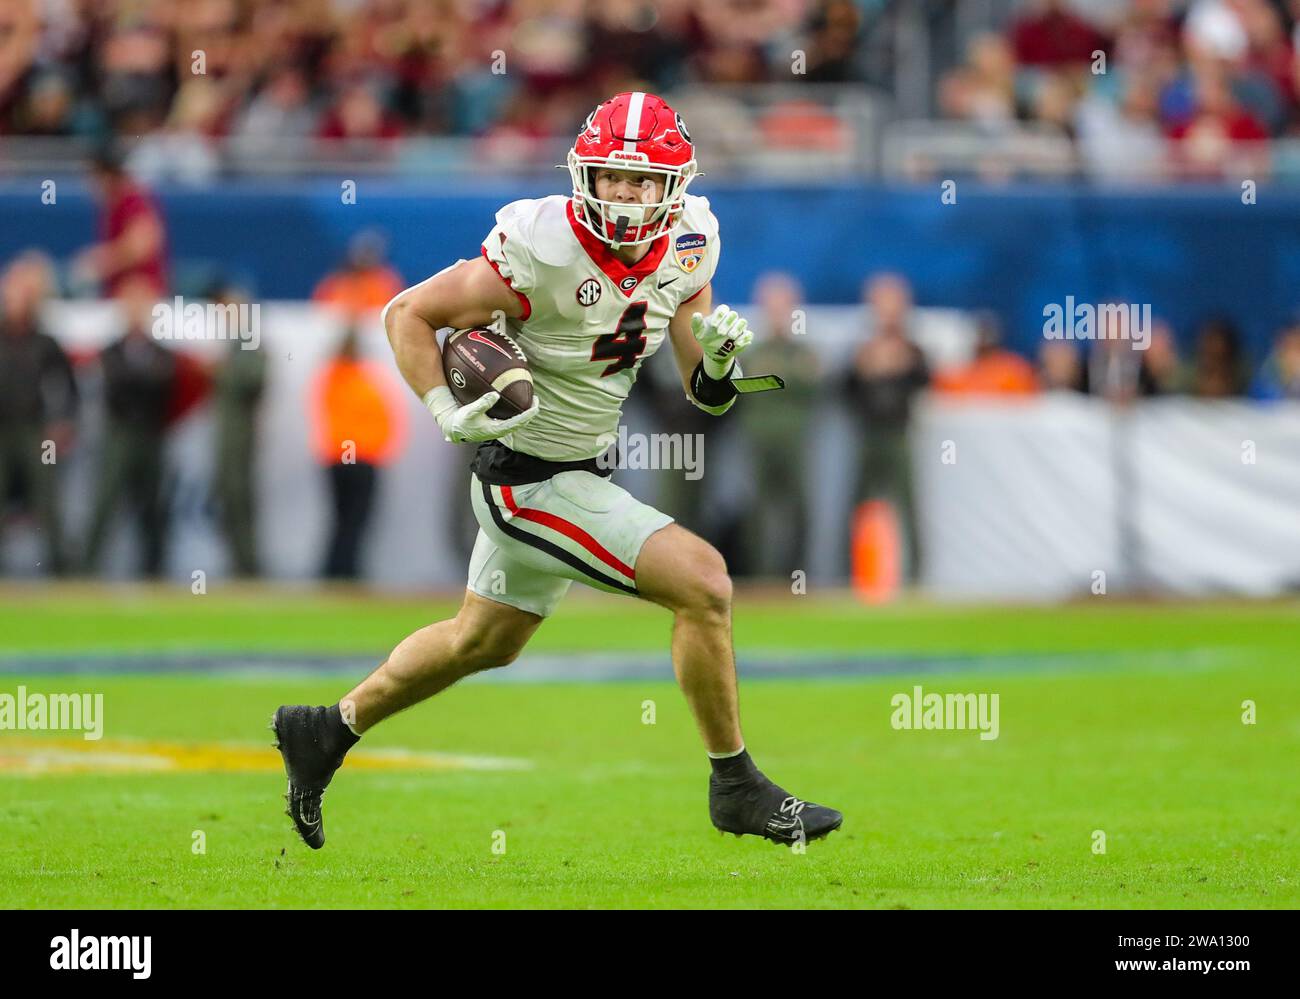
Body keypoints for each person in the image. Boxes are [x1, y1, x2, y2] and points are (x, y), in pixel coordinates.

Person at [272, 92, 842, 850]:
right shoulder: (539, 246)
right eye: (613, 178)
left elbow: (702, 392)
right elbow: (407, 313)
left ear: (675, 187)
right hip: (524, 478)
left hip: (580, 470)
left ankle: (325, 730)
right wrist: (444, 406)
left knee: (483, 643)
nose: (628, 196)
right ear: (586, 177)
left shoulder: (690, 242)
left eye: (644, 182)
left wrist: (723, 364)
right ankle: (735, 783)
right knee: (705, 583)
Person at [82, 279, 177, 577]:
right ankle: (85, 570)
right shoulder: (111, 351)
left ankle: (155, 571)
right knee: (105, 503)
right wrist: (141, 379)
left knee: (152, 506)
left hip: (150, 435)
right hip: (119, 434)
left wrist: (137, 379)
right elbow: (118, 383)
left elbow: (163, 384)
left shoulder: (162, 353)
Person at [842, 273, 929, 584]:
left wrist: (898, 366)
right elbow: (844, 391)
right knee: (857, 505)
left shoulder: (912, 349)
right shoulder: (863, 349)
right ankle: (849, 576)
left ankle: (916, 576)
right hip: (867, 435)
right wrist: (866, 368)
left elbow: (925, 380)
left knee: (907, 506)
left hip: (898, 434)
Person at [0, 252, 78, 575]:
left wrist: (62, 423)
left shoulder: (45, 343)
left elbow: (68, 389)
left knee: (46, 499)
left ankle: (63, 571)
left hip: (34, 431)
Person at [737, 272, 819, 578]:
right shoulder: (751, 353)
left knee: (798, 508)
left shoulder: (804, 354)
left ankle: (796, 574)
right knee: (756, 509)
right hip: (758, 438)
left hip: (794, 441)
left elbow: (814, 389)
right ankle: (759, 576)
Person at [309, 326, 407, 580]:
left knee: (343, 519)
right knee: (355, 519)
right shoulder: (362, 380)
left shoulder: (332, 377)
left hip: (339, 458)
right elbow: (382, 418)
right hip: (360, 459)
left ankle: (337, 571)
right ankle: (345, 572)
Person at [211, 284, 267, 577]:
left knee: (239, 497)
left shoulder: (248, 341)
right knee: (229, 497)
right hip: (229, 433)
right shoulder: (235, 343)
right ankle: (240, 563)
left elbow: (256, 377)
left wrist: (220, 372)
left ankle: (248, 565)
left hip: (238, 434)